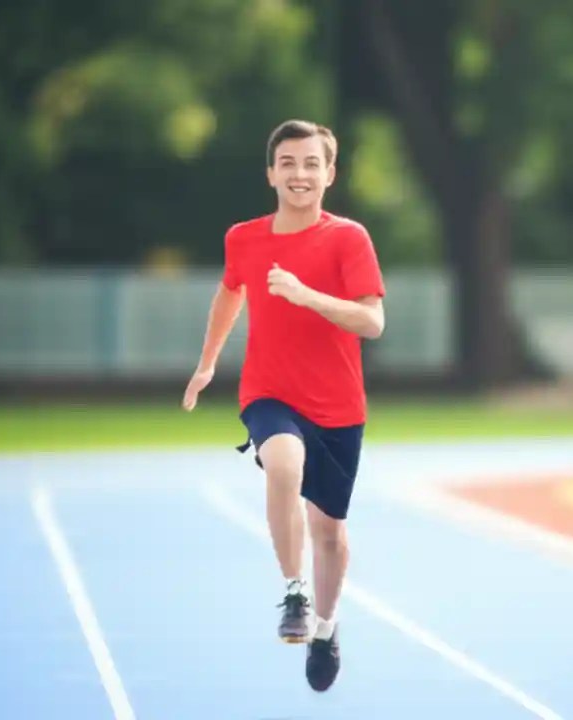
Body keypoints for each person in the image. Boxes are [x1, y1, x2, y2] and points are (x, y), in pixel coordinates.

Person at [181, 119, 386, 692]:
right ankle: (293, 592)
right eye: (289, 163)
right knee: (284, 465)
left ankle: (325, 626)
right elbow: (230, 293)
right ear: (271, 173)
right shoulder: (243, 238)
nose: (300, 174)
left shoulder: (349, 239)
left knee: (331, 533)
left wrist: (306, 295)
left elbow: (372, 320)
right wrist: (207, 363)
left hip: (339, 406)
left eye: (312, 163)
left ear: (329, 174)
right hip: (269, 394)